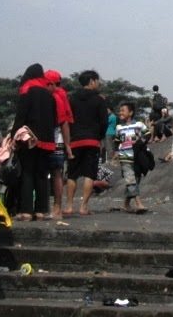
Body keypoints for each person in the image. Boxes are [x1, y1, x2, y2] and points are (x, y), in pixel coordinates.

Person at [11, 63, 57, 221]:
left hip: (29, 139)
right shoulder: (49, 95)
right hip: (47, 140)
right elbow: (55, 120)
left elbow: (20, 116)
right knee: (42, 174)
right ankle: (41, 211)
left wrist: (13, 136)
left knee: (27, 173)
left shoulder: (27, 90)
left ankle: (26, 211)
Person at [65, 70, 106, 216]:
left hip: (75, 140)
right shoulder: (99, 99)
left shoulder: (72, 99)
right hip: (92, 140)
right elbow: (104, 122)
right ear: (92, 81)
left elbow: (67, 120)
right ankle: (83, 207)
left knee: (72, 174)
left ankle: (69, 206)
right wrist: (99, 136)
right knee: (89, 174)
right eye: (97, 80)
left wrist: (69, 138)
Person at [44, 69, 74, 220]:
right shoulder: (61, 95)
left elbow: (64, 123)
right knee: (56, 174)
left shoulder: (57, 97)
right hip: (56, 138)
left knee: (54, 173)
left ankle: (55, 208)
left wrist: (67, 145)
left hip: (53, 138)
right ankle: (55, 207)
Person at [115, 101, 150, 213]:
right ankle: (139, 204)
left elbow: (148, 134)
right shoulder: (119, 127)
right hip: (125, 157)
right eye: (120, 111)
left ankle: (126, 203)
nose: (120, 113)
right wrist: (116, 152)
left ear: (130, 112)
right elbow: (116, 141)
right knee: (130, 179)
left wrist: (141, 142)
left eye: (123, 110)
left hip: (137, 157)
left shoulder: (139, 125)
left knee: (136, 179)